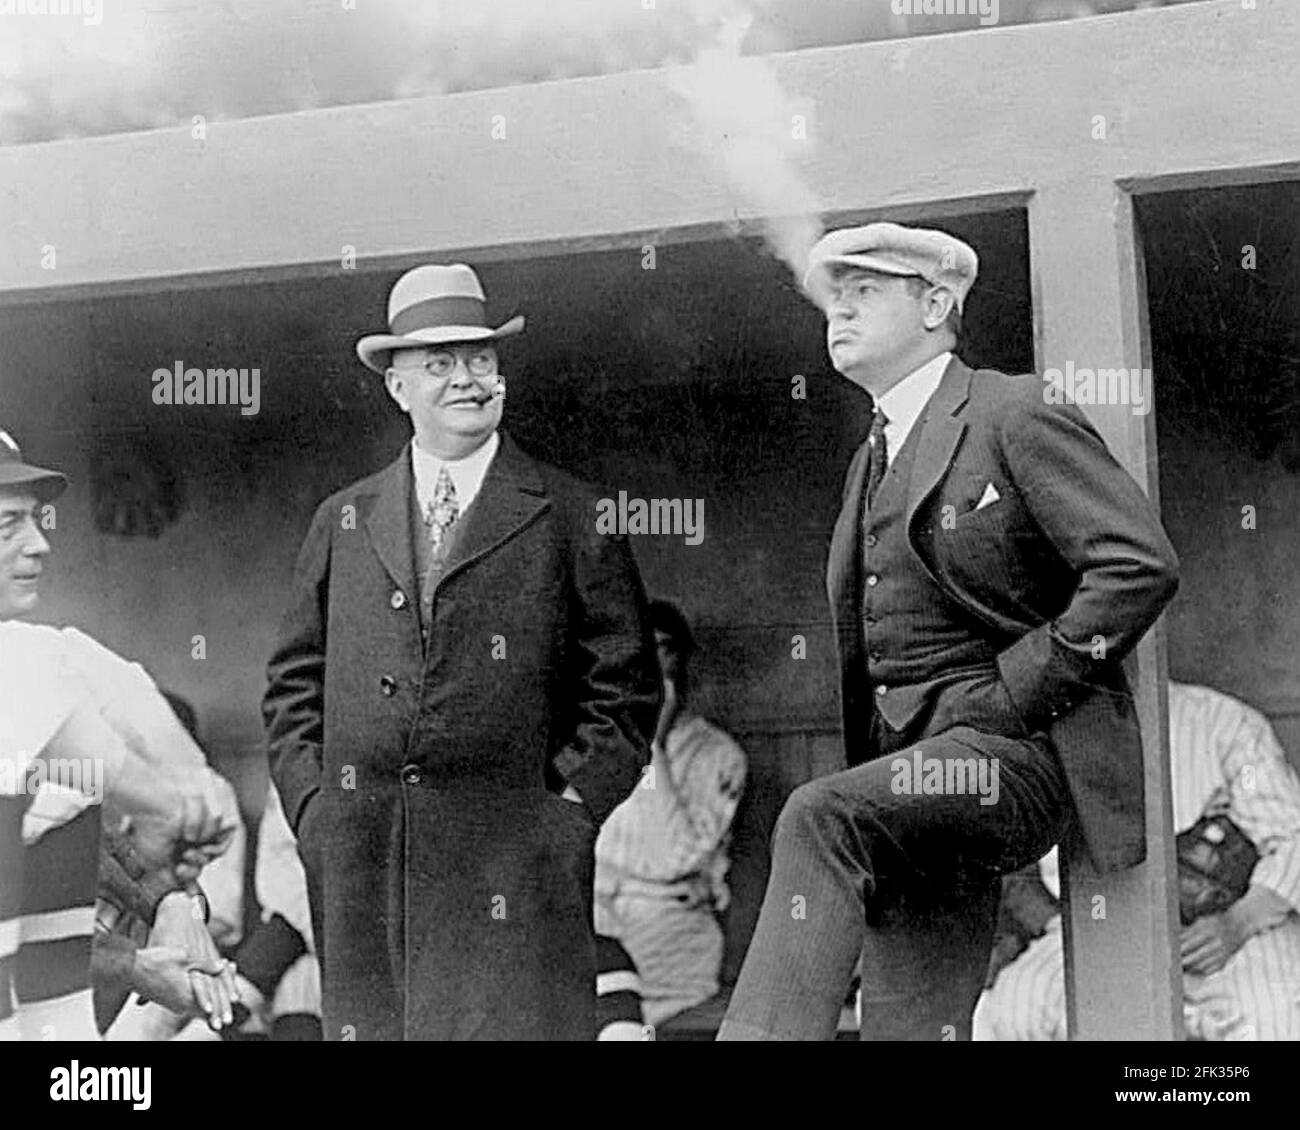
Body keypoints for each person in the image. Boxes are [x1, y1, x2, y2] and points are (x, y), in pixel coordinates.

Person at [717, 223, 1180, 1041]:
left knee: (817, 815)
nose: (841, 310)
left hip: (1013, 759)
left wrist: (1014, 691)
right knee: (910, 1029)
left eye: (866, 291)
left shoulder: (1012, 410)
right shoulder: (871, 456)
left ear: (936, 304)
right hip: (906, 782)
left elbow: (1137, 566)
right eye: (835, 294)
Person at [263, 264, 660, 1040]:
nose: (468, 381)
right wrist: (318, 812)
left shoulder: (575, 515)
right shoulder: (343, 520)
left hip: (513, 870)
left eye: (480, 359)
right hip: (367, 866)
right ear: (397, 386)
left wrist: (567, 816)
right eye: (438, 364)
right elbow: (291, 685)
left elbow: (628, 691)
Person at [0, 430, 239, 1040]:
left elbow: (55, 823)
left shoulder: (36, 659)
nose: (40, 543)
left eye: (33, 521)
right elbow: (148, 793)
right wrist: (175, 810)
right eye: (8, 526)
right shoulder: (20, 669)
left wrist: (165, 901)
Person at [976, 682, 1300, 1041]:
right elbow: (1013, 863)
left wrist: (1237, 925)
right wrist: (1060, 926)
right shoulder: (1045, 734)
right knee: (1009, 1012)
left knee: (1275, 1015)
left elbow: (1291, 839)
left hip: (1225, 931)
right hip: (1098, 934)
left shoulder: (1223, 721)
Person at [595, 599, 746, 1025]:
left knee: (620, 1025)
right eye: (639, 648)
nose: (651, 661)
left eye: (663, 648)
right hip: (601, 919)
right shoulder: (600, 742)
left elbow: (671, 859)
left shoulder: (719, 755)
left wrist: (654, 747)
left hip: (671, 930)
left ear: (682, 661)